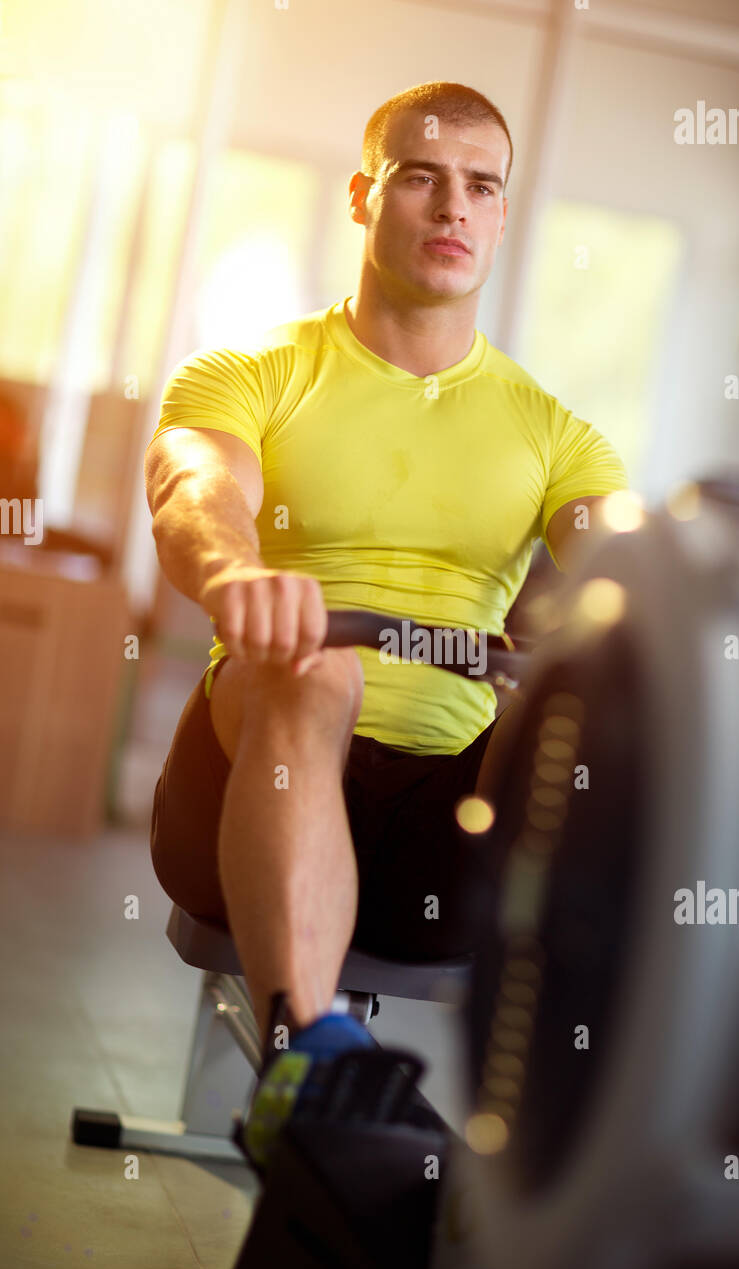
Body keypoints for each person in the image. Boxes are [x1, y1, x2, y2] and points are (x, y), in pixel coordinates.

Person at [146, 82, 627, 1164]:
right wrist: (236, 577)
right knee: (315, 674)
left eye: (480, 185)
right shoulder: (248, 373)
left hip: (437, 834)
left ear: (500, 216)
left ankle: (583, 1140)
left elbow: (619, 557)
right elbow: (192, 491)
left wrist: (647, 617)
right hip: (240, 779)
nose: (452, 206)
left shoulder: (558, 436)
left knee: (590, 730)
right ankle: (310, 1069)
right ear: (365, 197)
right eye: (421, 176)